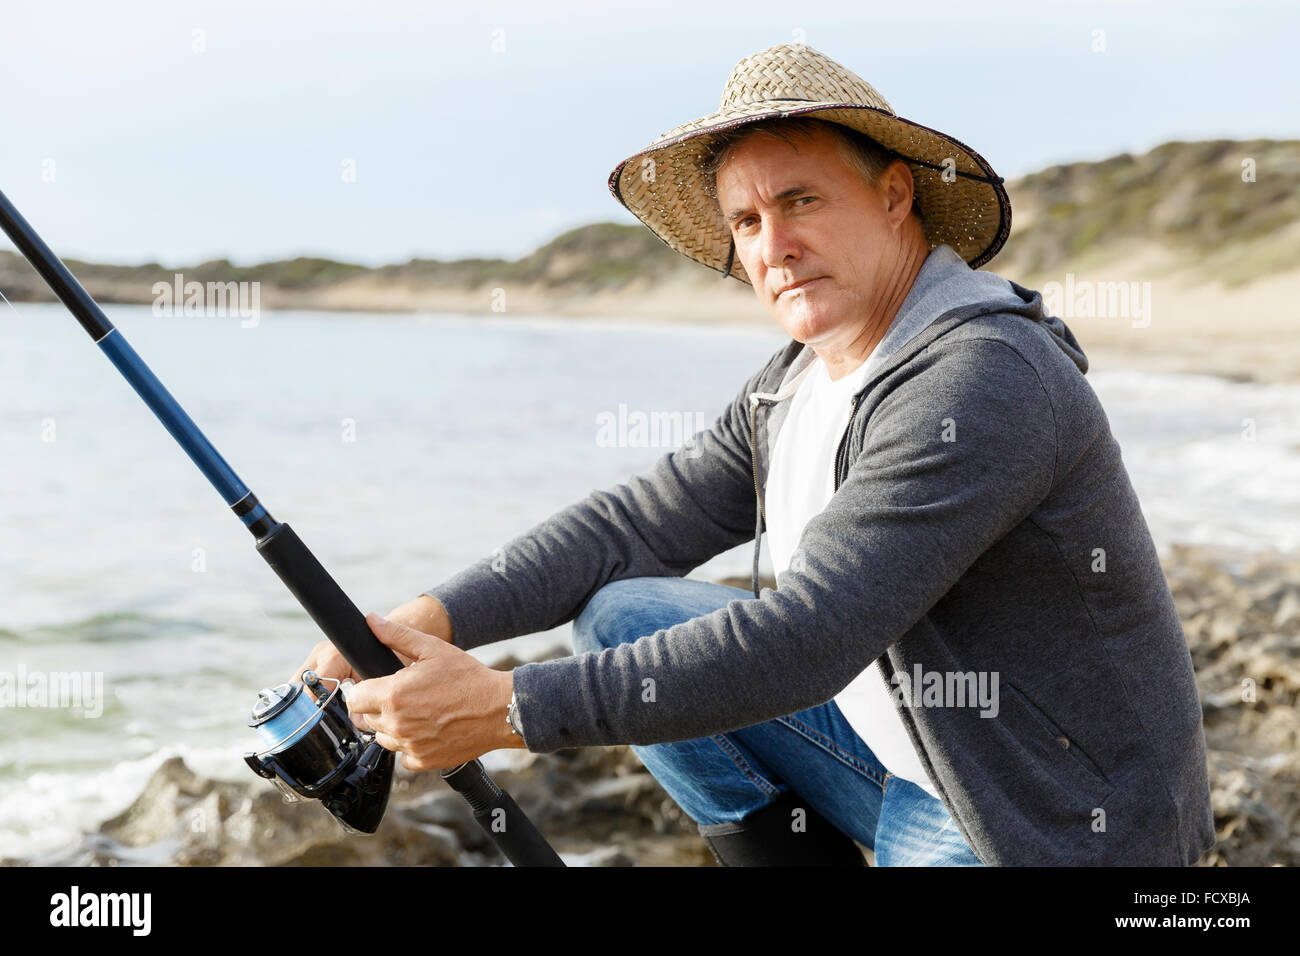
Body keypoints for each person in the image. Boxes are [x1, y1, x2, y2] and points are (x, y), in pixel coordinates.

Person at [298, 42, 1216, 867]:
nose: (773, 247)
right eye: (746, 222)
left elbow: (806, 638)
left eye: (800, 201)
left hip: (1038, 821)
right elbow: (634, 526)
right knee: (625, 615)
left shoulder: (982, 377)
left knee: (706, 648)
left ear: (895, 195)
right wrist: (423, 619)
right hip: (914, 758)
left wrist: (509, 711)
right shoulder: (801, 379)